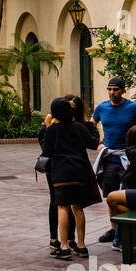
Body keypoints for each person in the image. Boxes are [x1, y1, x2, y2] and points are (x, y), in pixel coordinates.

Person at [93, 77, 136, 244]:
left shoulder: (133, 107)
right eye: (110, 89)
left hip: (129, 157)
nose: (112, 92)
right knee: (110, 196)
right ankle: (114, 230)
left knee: (128, 193)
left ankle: (127, 229)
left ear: (123, 90)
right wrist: (98, 142)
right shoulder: (102, 107)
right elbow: (92, 125)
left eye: (116, 89)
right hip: (110, 157)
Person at [41, 96, 98, 259]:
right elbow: (93, 143)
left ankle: (64, 246)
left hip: (61, 173)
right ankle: (81, 245)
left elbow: (47, 151)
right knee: (78, 208)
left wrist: (47, 127)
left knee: (63, 207)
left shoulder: (53, 129)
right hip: (79, 171)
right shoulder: (79, 128)